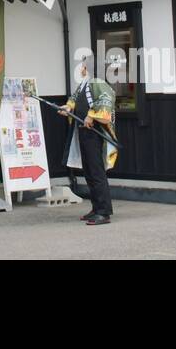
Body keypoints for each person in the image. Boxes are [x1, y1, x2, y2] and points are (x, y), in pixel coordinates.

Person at [60, 52, 119, 225]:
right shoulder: (85, 83)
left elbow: (106, 100)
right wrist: (67, 108)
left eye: (84, 65)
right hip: (83, 133)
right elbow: (74, 100)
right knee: (88, 171)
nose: (82, 68)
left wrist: (92, 116)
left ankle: (103, 211)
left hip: (95, 133)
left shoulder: (98, 82)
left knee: (96, 171)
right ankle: (96, 208)